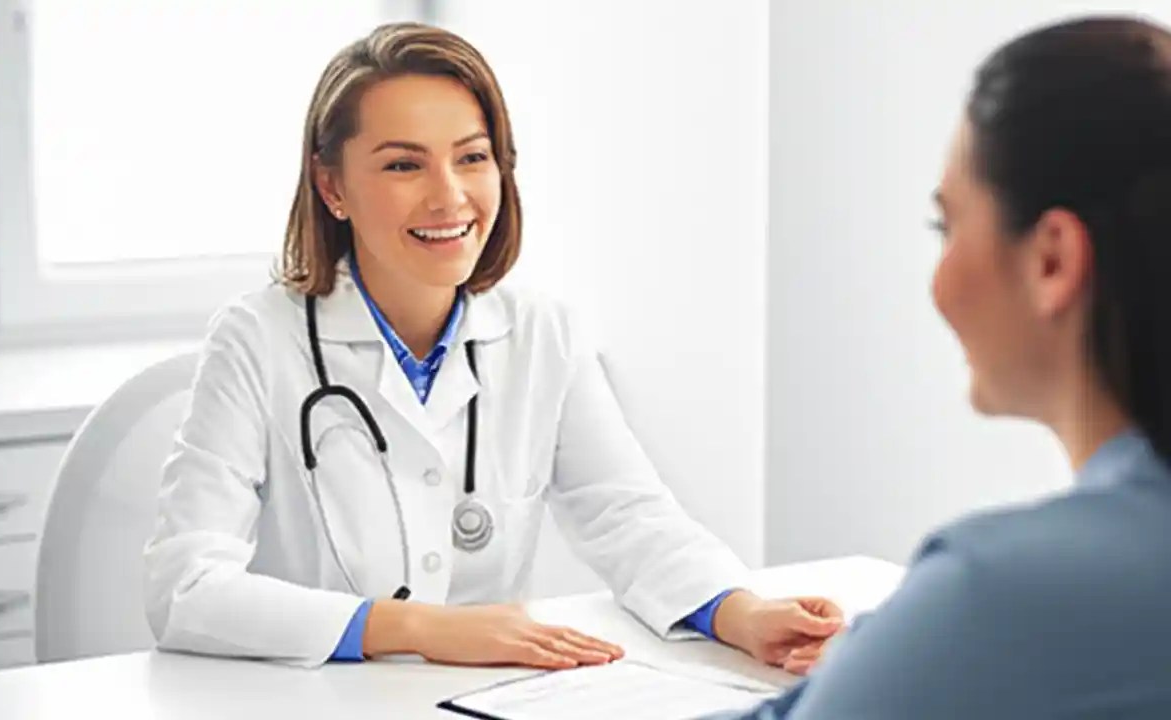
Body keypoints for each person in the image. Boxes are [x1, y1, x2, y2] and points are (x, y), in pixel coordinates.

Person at [143, 21, 842, 671]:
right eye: (402, 166)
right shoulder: (258, 339)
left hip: (488, 696)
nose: (450, 197)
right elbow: (186, 587)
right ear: (332, 186)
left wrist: (743, 612)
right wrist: (416, 628)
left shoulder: (542, 333)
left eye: (472, 158)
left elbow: (629, 516)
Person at [723, 15, 1171, 719]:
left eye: (948, 226)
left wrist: (910, 655)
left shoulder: (1000, 593)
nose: (938, 279)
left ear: (1052, 259)